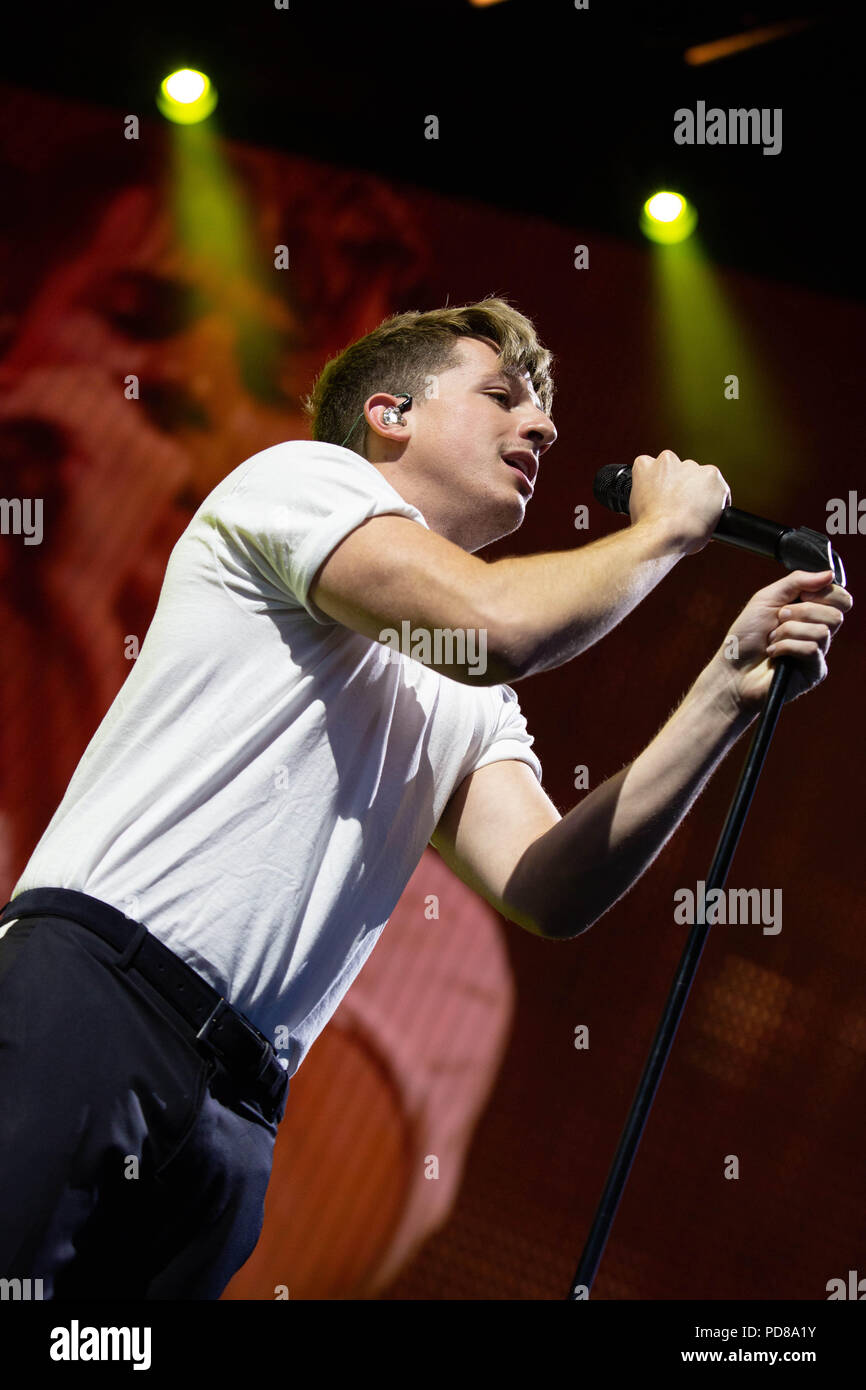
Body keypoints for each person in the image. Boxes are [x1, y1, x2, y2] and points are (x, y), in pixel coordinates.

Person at [0, 296, 851, 1300]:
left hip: (237, 1114)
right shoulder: (303, 482)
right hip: (99, 998)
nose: (540, 427)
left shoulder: (459, 693)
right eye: (502, 396)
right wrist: (663, 534)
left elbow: (546, 884)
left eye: (537, 410)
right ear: (390, 413)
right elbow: (493, 625)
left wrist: (723, 690)